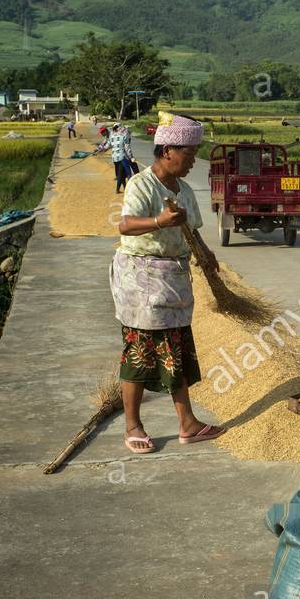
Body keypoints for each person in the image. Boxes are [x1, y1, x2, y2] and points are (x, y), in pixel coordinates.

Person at [109, 112, 225, 454]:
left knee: (176, 351)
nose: (193, 161)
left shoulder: (184, 189)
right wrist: (159, 220)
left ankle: (188, 423)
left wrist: (206, 255)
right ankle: (133, 425)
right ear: (169, 150)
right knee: (139, 354)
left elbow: (193, 231)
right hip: (141, 279)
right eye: (189, 154)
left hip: (173, 280)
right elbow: (125, 225)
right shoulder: (141, 184)